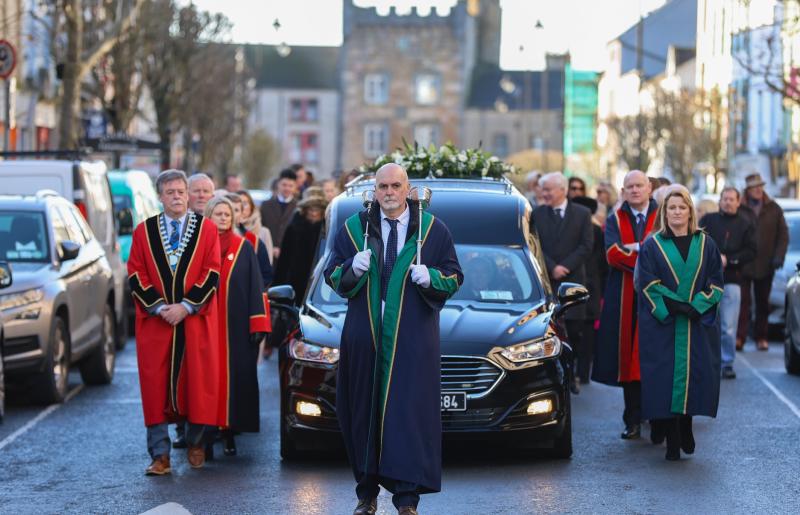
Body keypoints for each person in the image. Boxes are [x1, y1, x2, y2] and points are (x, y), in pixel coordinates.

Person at [324, 163, 462, 515]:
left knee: (408, 415)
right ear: (374, 189)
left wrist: (430, 276)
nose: (389, 192)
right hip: (365, 333)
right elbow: (332, 274)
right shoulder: (354, 229)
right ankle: (366, 495)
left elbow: (454, 276)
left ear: (407, 189)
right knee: (363, 413)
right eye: (382, 186)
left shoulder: (431, 230)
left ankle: (406, 499)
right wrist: (351, 269)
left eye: (395, 186)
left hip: (411, 337)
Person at [127, 169, 221, 475]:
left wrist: (186, 306)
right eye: (171, 192)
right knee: (155, 388)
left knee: (197, 384)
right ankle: (160, 455)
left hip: (194, 322)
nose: (178, 197)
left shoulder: (206, 230)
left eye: (182, 191)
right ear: (160, 196)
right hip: (156, 325)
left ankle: (196, 443)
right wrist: (158, 307)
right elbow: (136, 273)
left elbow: (211, 272)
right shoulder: (144, 232)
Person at [636, 186, 723, 460]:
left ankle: (686, 426)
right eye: (671, 207)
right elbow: (647, 283)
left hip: (696, 323)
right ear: (664, 212)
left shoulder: (706, 243)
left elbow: (716, 281)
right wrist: (676, 305)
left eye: (681, 207)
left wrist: (696, 306)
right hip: (665, 324)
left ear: (690, 211)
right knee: (666, 378)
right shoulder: (653, 244)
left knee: (695, 376)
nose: (676, 212)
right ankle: (672, 437)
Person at [203, 196, 270, 457]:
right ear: (208, 215)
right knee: (205, 381)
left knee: (234, 381)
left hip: (236, 328)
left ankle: (230, 433)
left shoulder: (243, 247)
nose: (223, 217)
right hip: (204, 326)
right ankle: (204, 436)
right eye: (218, 213)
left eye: (227, 214)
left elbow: (256, 286)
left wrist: (258, 324)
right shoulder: (198, 247)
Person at [593, 170, 656, 440]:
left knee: (654, 358)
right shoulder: (615, 219)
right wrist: (645, 252)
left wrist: (635, 249)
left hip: (657, 296)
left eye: (639, 185)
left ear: (649, 188)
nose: (635, 190)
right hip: (625, 299)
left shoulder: (662, 215)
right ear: (623, 190)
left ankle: (656, 415)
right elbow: (612, 255)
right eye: (629, 186)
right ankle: (632, 419)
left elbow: (663, 252)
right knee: (629, 361)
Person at [530, 172, 593, 394]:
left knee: (574, 330)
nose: (544, 194)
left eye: (548, 190)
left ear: (562, 190)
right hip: (547, 281)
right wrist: (551, 267)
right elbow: (534, 244)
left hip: (573, 280)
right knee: (551, 330)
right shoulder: (537, 214)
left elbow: (586, 245)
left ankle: (573, 370)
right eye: (543, 189)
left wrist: (564, 266)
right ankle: (558, 374)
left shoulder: (583, 214)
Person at [700, 187, 757, 379]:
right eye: (725, 199)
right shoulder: (708, 220)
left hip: (732, 280)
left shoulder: (745, 224)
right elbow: (697, 242)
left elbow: (751, 251)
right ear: (720, 201)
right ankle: (707, 362)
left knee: (728, 326)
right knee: (706, 323)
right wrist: (714, 258)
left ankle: (727, 363)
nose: (728, 202)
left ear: (738, 202)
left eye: (732, 199)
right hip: (706, 282)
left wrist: (730, 260)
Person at [738, 173, 788, 351]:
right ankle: (740, 337)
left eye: (760, 186)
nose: (758, 189)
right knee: (743, 303)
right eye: (754, 187)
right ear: (748, 190)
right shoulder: (739, 207)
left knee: (762, 302)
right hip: (743, 263)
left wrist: (779, 257)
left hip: (766, 263)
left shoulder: (774, 208)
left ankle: (761, 337)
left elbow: (783, 236)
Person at [571, 195, 607, 383]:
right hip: (588, 285)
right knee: (583, 332)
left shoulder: (596, 232)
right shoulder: (592, 230)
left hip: (589, 285)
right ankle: (581, 373)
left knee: (583, 331)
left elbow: (601, 262)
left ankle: (580, 372)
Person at [274, 195, 327, 305]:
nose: (313, 213)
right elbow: (284, 258)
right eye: (311, 209)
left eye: (317, 210)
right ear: (305, 211)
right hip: (295, 277)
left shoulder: (326, 230)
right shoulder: (294, 227)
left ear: (322, 212)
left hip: (319, 278)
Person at [225, 192, 273, 288]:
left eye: (236, 210)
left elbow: (266, 276)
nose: (233, 214)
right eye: (229, 209)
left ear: (241, 214)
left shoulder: (254, 241)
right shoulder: (210, 237)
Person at [260, 168, 298, 261]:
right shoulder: (266, 205)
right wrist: (270, 247)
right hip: (267, 255)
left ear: (295, 187)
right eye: (284, 185)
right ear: (278, 184)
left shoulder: (299, 207)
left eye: (290, 185)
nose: (287, 188)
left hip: (290, 257)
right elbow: (261, 228)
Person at [238, 189, 275, 266]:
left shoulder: (264, 232)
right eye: (238, 203)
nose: (241, 207)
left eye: (244, 203)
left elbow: (268, 263)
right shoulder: (227, 229)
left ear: (251, 207)